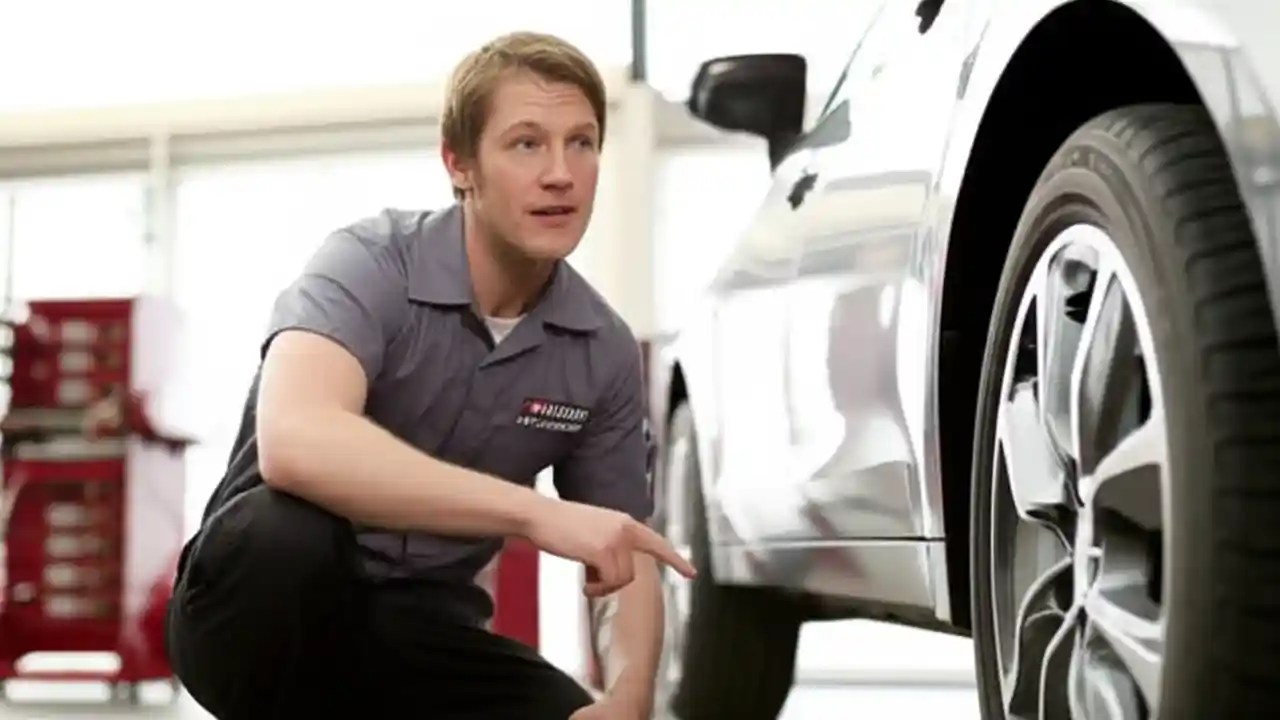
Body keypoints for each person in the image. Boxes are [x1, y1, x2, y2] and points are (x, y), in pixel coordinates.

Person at [164, 30, 696, 720]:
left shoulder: (603, 350)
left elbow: (624, 546)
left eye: (582, 143)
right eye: (526, 144)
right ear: (460, 163)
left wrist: (629, 692)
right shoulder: (369, 263)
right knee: (285, 534)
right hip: (259, 609)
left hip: (419, 632)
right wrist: (536, 513)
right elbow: (294, 442)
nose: (561, 173)